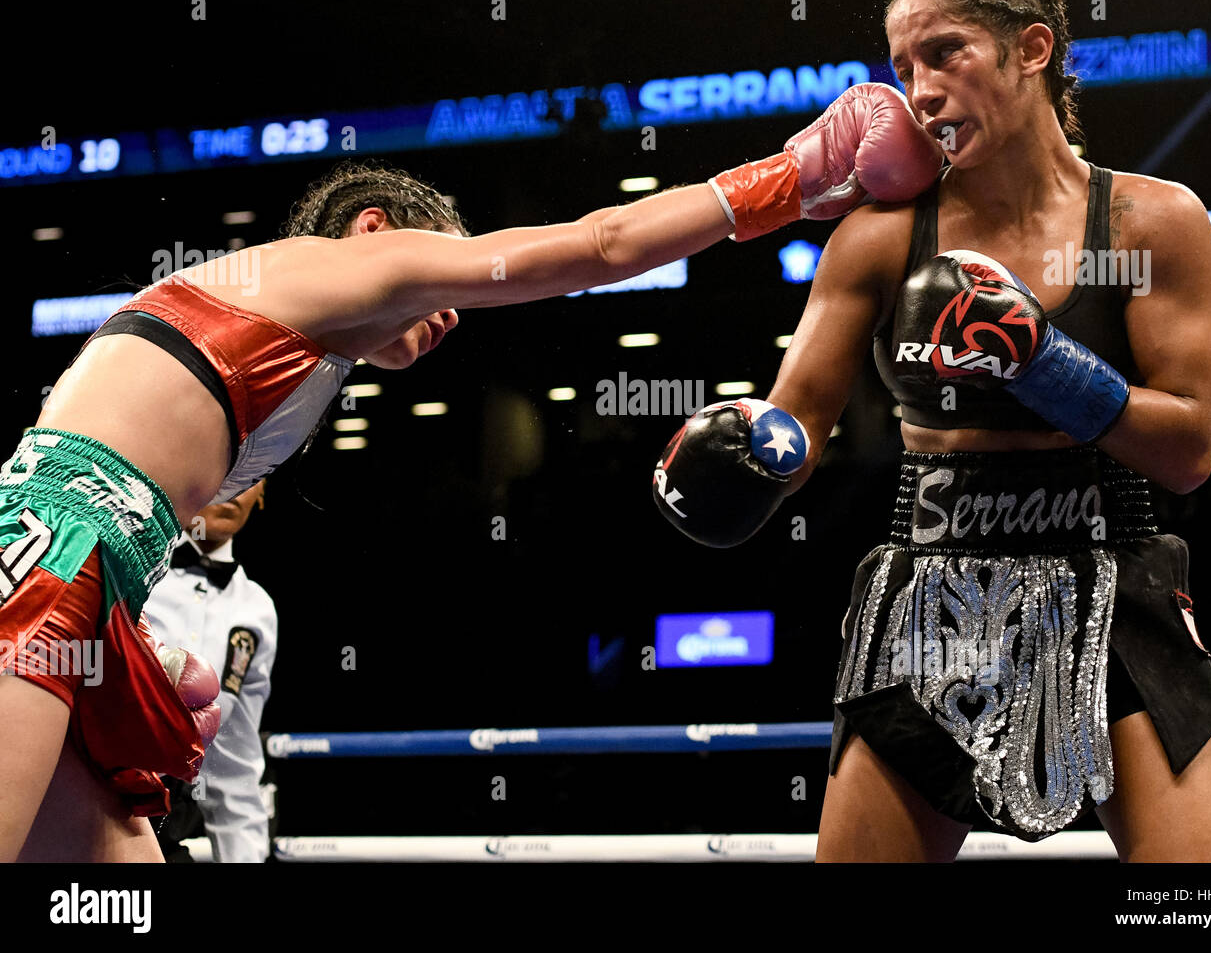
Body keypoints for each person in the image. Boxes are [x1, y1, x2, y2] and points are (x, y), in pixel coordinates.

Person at [0, 88, 941, 862]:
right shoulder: (322, 266)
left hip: (90, 573)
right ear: (377, 231)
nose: (452, 305)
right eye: (439, 271)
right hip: (52, 551)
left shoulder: (294, 353)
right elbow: (602, 244)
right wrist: (791, 177)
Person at [653, 0, 1211, 862]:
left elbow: (1190, 448)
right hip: (933, 590)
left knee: (1195, 909)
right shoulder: (879, 238)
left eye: (945, 52)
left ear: (1032, 48)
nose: (918, 89)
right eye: (901, 67)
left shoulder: (1150, 221)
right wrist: (746, 450)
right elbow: (796, 418)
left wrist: (1040, 359)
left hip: (1115, 584)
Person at [145, 479, 276, 863]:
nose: (236, 492)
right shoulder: (132, 567)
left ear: (263, 493)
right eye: (228, 476)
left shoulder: (257, 611)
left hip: (166, 829)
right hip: (82, 801)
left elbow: (232, 760)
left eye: (252, 480)